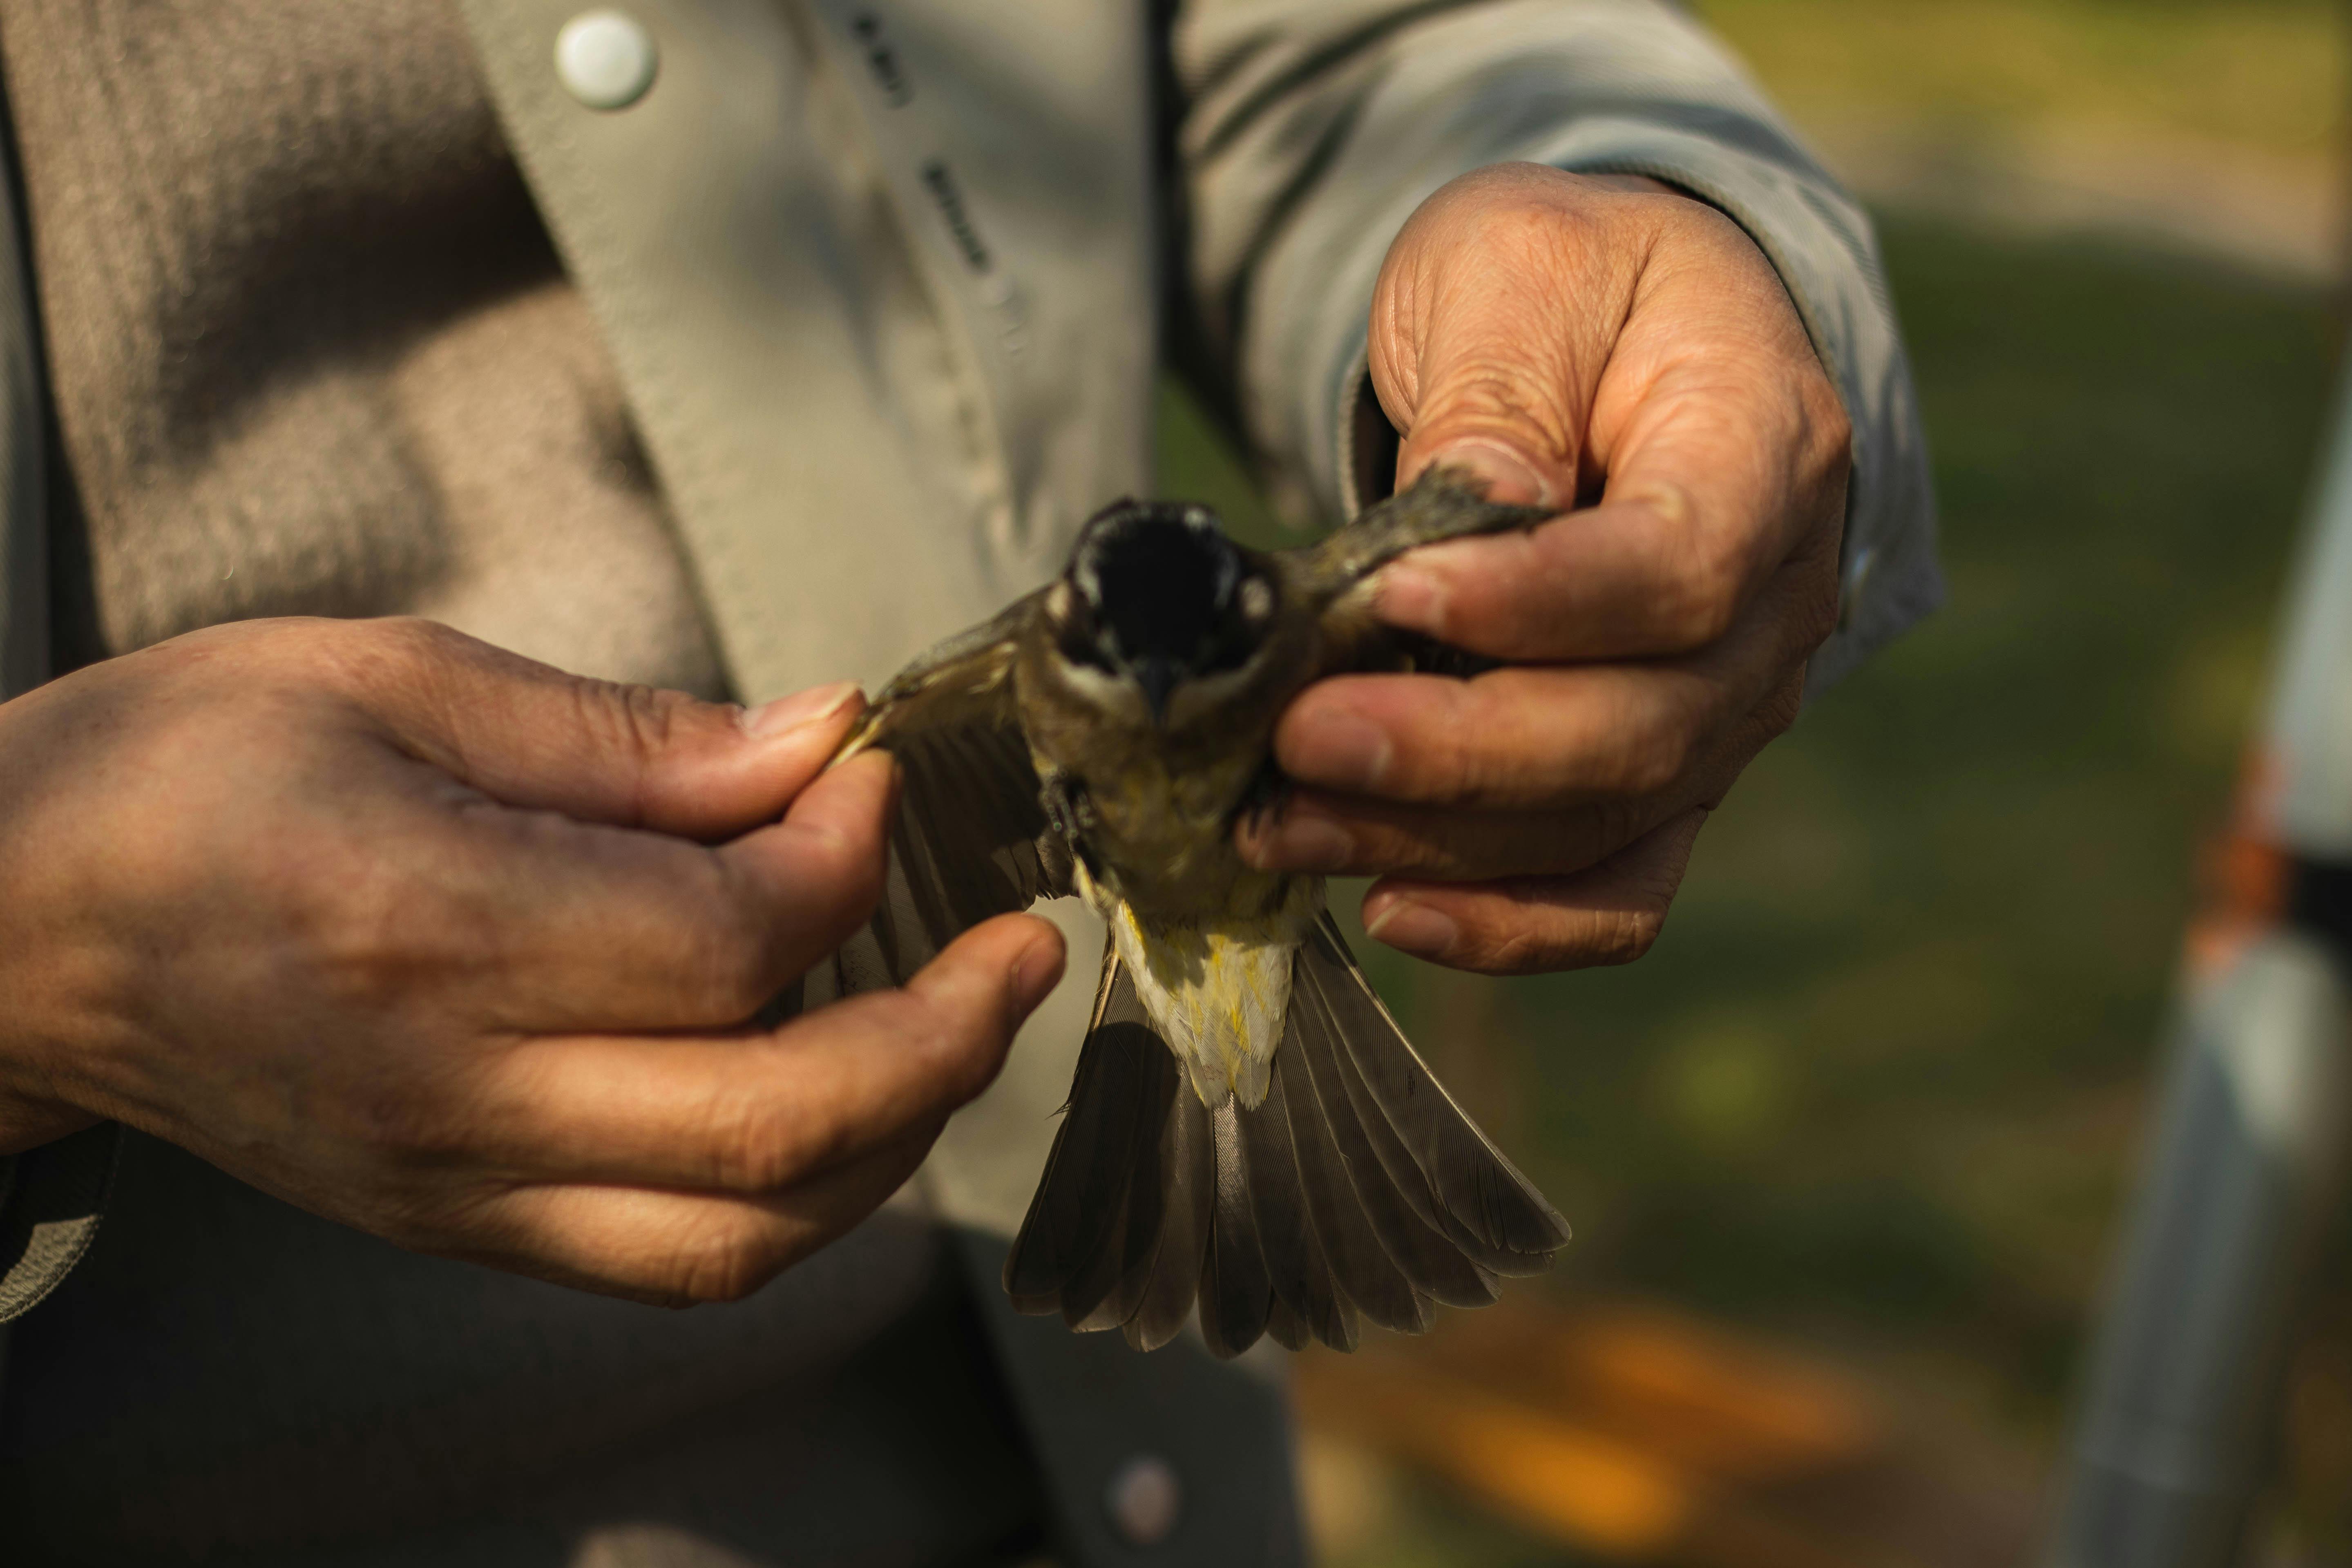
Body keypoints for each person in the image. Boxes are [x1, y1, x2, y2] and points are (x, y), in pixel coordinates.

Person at [0, 1, 1938, 1563]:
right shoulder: (971, 699)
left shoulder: (1314, 604)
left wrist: (1673, 237)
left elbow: (1331, 53)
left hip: (1083, 1460)